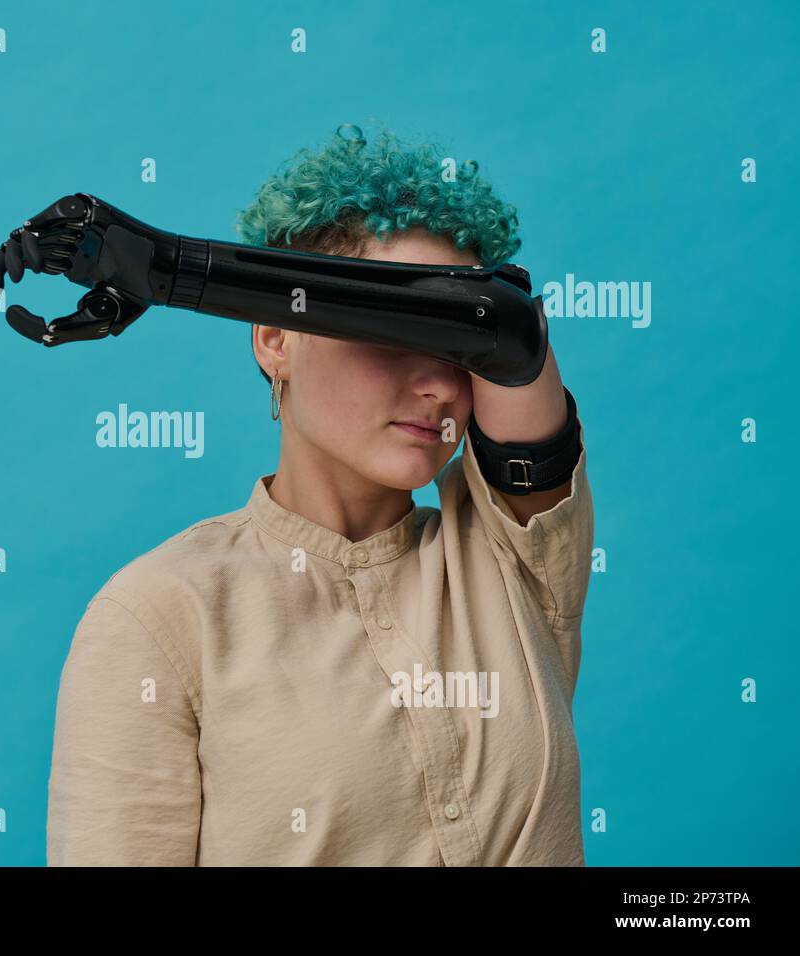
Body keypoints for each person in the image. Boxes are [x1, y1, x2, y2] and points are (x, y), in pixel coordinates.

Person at [46, 122, 594, 866]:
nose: (438, 384)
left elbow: (518, 343)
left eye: (459, 349)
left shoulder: (514, 558)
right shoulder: (160, 615)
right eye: (387, 329)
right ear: (275, 340)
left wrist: (172, 267)